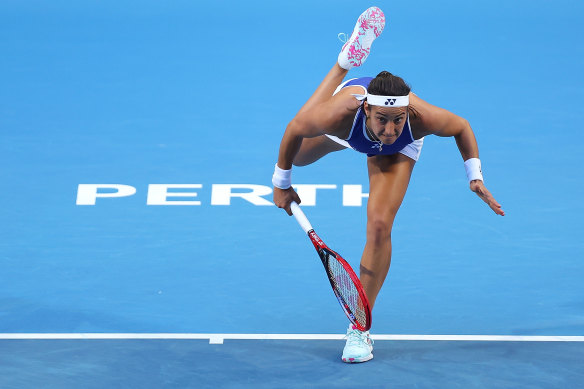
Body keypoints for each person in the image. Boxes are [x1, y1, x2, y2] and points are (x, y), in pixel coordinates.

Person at [272, 7, 504, 363]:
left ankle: (360, 329)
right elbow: (293, 128)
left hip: (395, 156)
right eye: (383, 120)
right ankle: (344, 63)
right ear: (367, 110)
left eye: (398, 120)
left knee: (380, 225)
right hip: (351, 132)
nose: (391, 128)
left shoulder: (417, 120)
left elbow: (460, 126)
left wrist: (475, 176)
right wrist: (281, 183)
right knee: (301, 151)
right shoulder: (343, 114)